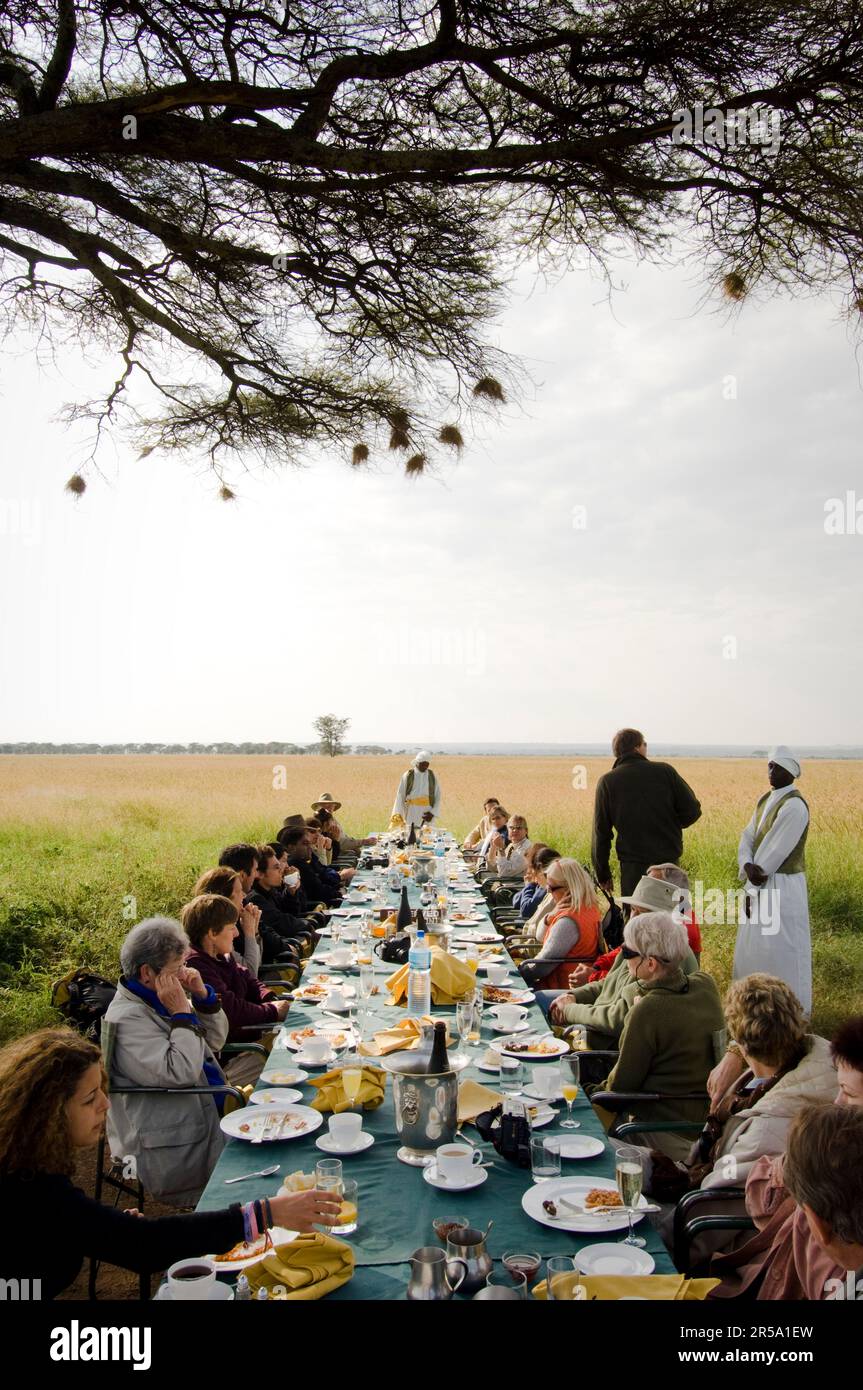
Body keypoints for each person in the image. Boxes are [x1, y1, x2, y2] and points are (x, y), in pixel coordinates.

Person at [0, 1028, 342, 1300]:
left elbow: (94, 1231)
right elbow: (143, 1246)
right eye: (90, 1098)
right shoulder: (32, 1188)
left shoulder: (29, 1162)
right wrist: (266, 1214)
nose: (106, 1104)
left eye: (101, 1091)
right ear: (47, 1114)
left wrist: (101, 1228)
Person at [641, 975, 836, 1247]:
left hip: (704, 1234)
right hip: (698, 1180)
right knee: (613, 1161)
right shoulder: (807, 1062)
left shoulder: (769, 1125)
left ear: (742, 1045)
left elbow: (707, 1216)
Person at [709, 1017, 863, 1300]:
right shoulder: (827, 1143)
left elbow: (754, 1199)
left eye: (849, 1094)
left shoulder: (833, 1159)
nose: (837, 1101)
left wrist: (800, 1165)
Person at [102, 917, 231, 1205]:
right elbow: (180, 1072)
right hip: (180, 1142)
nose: (184, 974)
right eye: (177, 968)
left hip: (214, 1108)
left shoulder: (160, 995)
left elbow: (215, 1041)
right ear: (148, 973)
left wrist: (201, 997)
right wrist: (182, 1015)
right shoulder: (127, 1019)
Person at [591, 912, 726, 1160]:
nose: (623, 957)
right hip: (702, 1123)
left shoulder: (647, 1010)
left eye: (628, 953)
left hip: (660, 1130)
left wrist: (586, 1090)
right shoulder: (705, 984)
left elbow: (618, 1089)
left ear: (651, 964)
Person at [545, 875, 699, 1036]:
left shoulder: (663, 957)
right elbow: (608, 983)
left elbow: (618, 1019)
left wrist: (570, 1010)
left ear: (662, 921)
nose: (633, 918)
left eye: (642, 913)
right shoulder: (639, 942)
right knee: (540, 1002)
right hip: (594, 1019)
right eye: (633, 909)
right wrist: (572, 996)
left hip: (604, 1041)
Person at [732, 745, 812, 1014]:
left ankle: (788, 1011)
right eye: (769, 765)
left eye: (776, 766)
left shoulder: (795, 807)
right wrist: (746, 863)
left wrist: (752, 883)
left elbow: (772, 853)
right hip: (759, 884)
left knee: (782, 948)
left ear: (790, 770)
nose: (770, 771)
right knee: (756, 947)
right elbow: (747, 836)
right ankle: (754, 1006)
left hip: (782, 887)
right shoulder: (766, 799)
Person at [182, 894, 291, 1085]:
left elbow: (248, 979)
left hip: (251, 1041)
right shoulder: (197, 966)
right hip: (231, 1058)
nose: (237, 934)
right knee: (291, 1057)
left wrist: (269, 997)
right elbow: (231, 1010)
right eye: (231, 928)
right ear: (212, 933)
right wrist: (273, 1011)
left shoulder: (220, 954)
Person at [591, 728, 702, 898]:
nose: (646, 747)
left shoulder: (608, 781)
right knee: (672, 917)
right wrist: (670, 825)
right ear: (637, 747)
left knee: (636, 917)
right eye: (645, 744)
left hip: (633, 868)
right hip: (668, 864)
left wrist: (603, 874)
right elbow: (693, 811)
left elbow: (601, 833)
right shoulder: (665, 771)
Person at [519, 859, 602, 990]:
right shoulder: (589, 907)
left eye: (551, 887)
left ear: (569, 889)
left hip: (558, 989)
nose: (547, 891)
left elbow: (541, 967)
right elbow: (540, 937)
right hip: (568, 987)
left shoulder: (568, 922)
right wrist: (550, 916)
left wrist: (519, 970)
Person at [193, 866, 263, 976]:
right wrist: (250, 933)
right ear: (225, 898)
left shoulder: (236, 920)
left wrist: (255, 931)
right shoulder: (220, 929)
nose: (244, 896)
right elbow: (251, 973)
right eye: (239, 891)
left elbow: (257, 966)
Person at [391, 749, 441, 828]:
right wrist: (398, 814)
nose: (425, 767)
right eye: (422, 764)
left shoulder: (432, 776)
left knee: (427, 836)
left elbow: (438, 795)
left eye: (427, 764)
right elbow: (400, 795)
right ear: (416, 763)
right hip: (411, 811)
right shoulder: (408, 775)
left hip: (427, 813)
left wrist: (432, 813)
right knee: (410, 834)